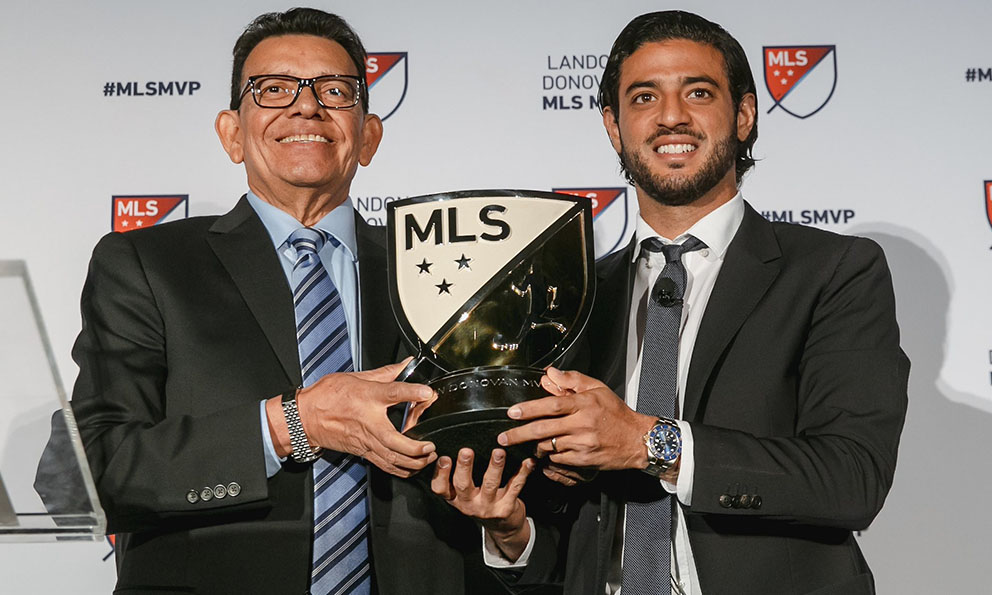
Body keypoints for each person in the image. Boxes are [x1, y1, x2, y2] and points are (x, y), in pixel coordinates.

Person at [69, 8, 510, 594]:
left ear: (370, 135)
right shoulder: (148, 266)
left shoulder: (447, 273)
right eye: (273, 89)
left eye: (335, 90)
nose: (306, 106)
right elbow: (95, 470)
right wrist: (294, 424)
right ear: (231, 133)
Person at [490, 11, 910, 595]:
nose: (670, 117)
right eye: (643, 97)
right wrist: (513, 532)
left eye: (697, 92)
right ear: (614, 126)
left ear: (743, 114)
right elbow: (565, 527)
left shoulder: (833, 272)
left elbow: (851, 478)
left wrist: (648, 443)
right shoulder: (571, 294)